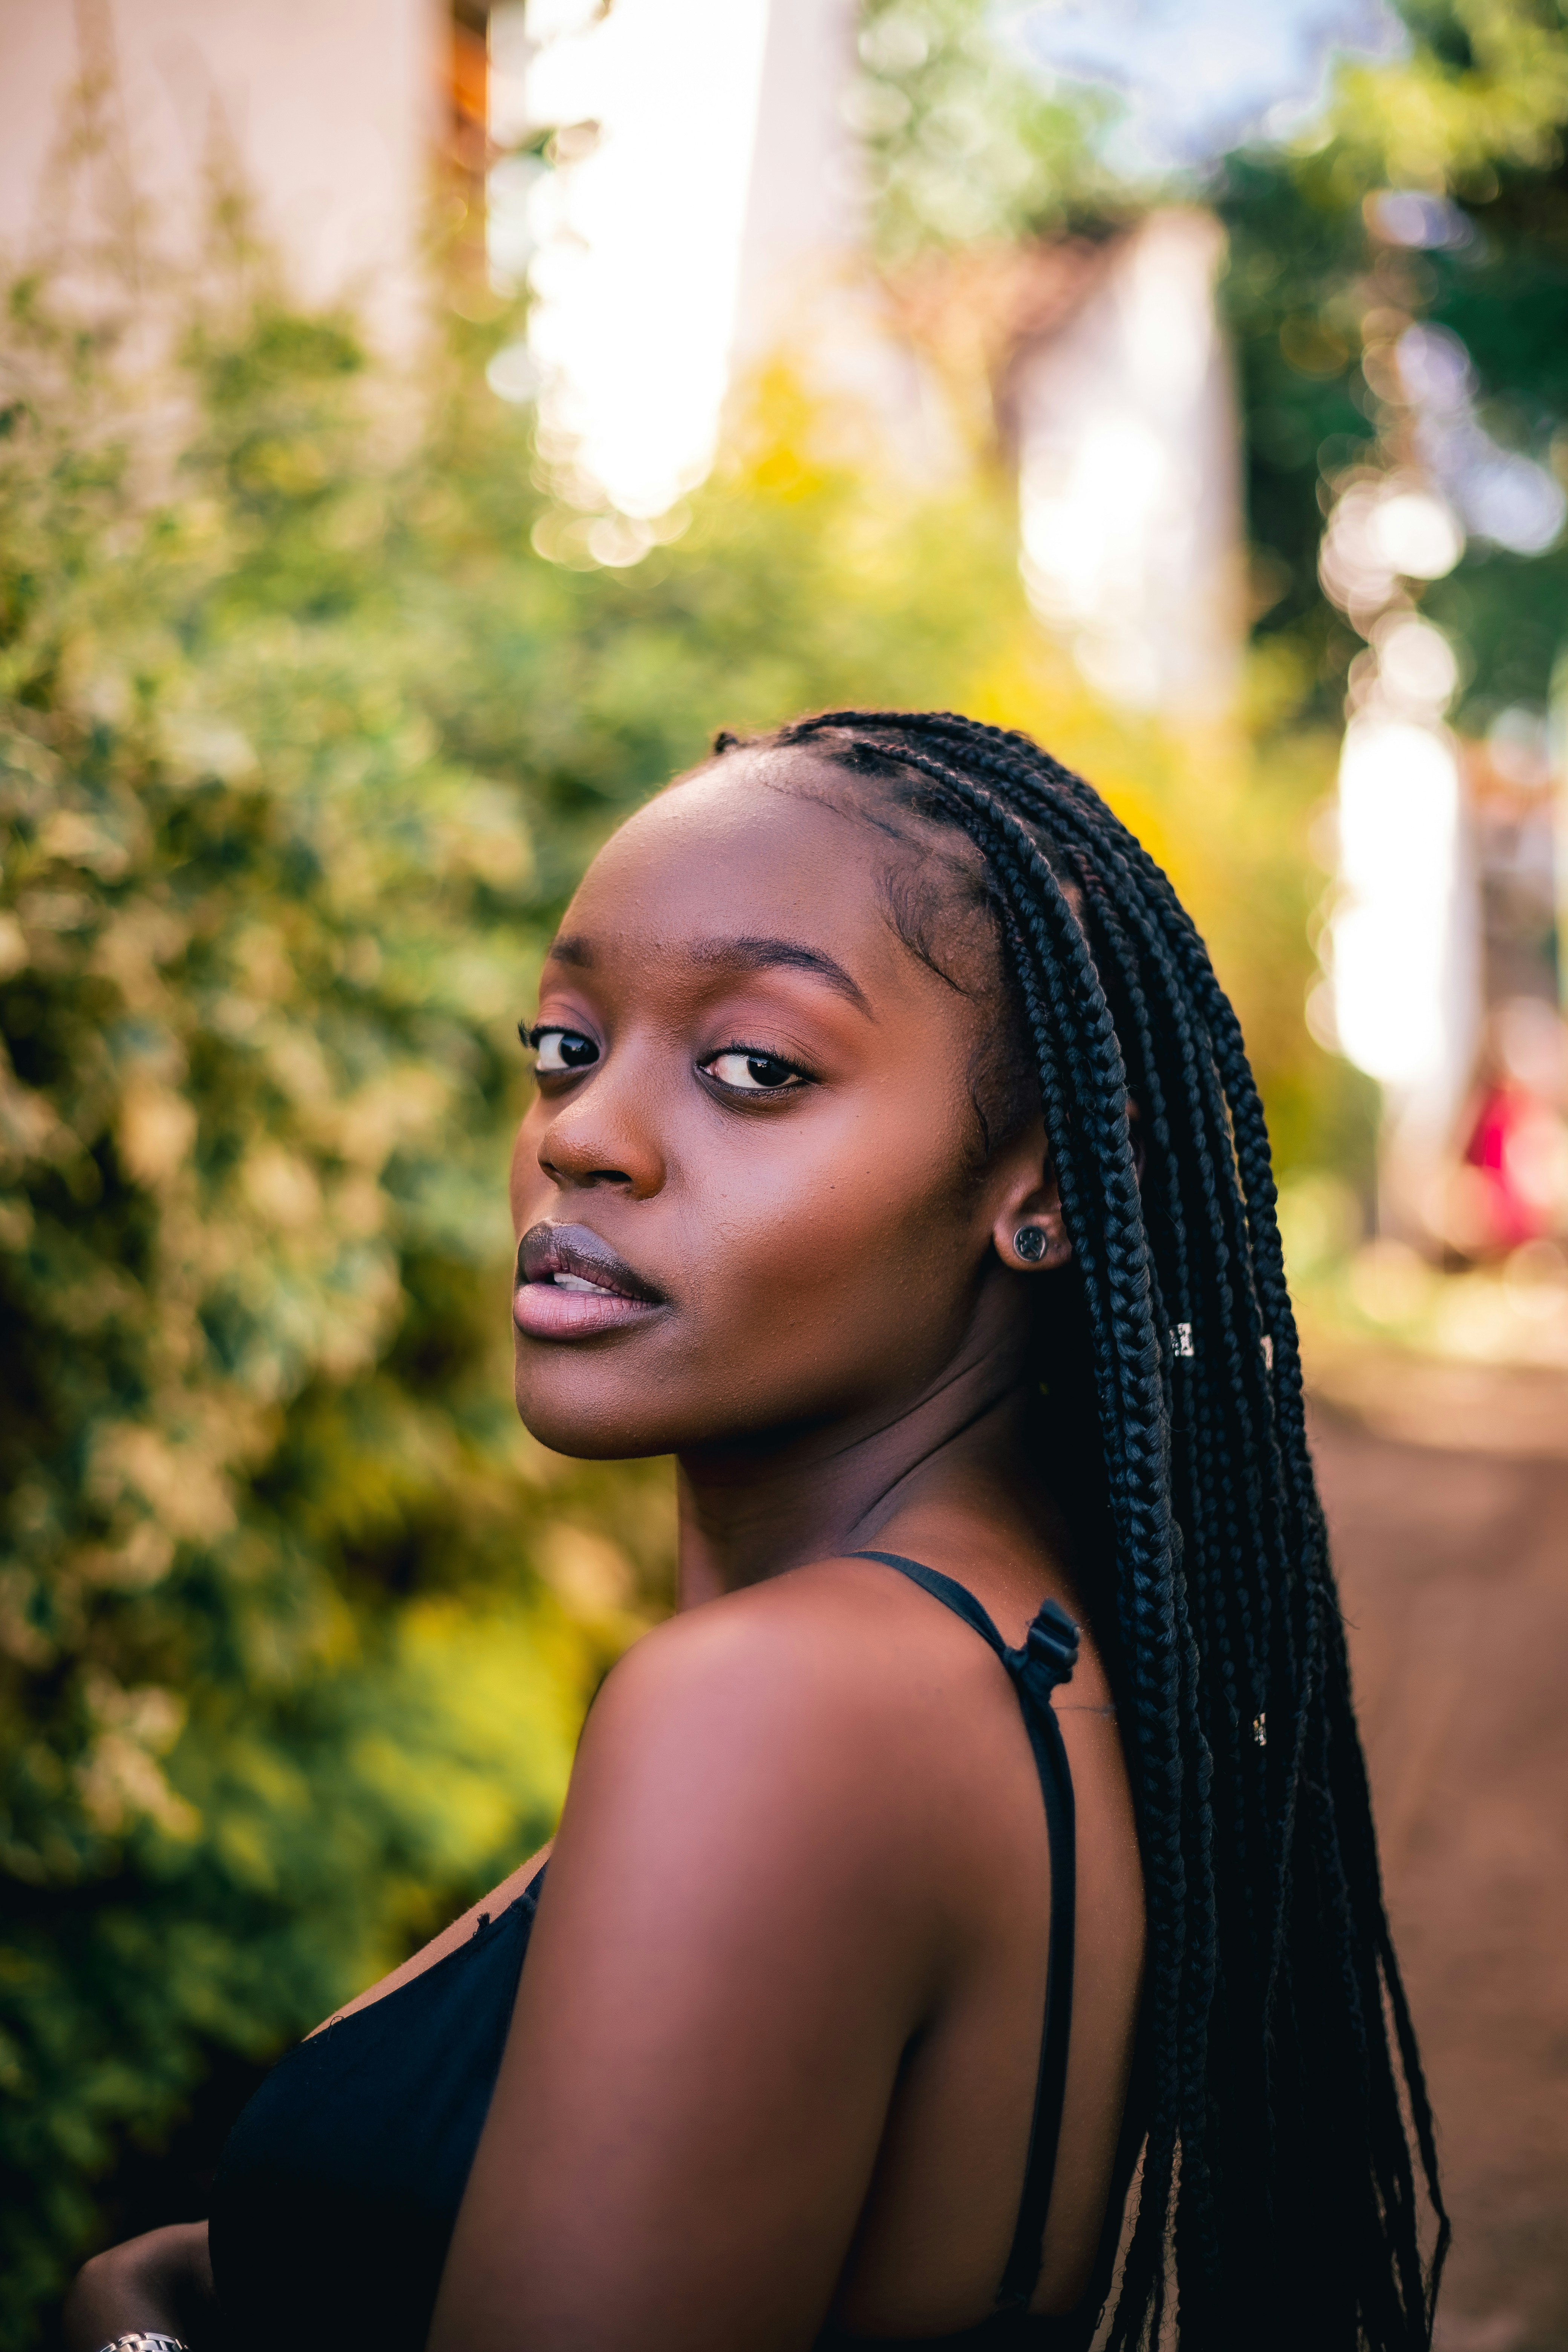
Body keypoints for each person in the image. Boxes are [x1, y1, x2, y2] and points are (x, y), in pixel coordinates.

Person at [65, 710, 1446, 2352]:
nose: (578, 1137)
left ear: (1050, 1188)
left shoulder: (773, 1713)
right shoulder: (1000, 1669)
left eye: (752, 1069)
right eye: (566, 1047)